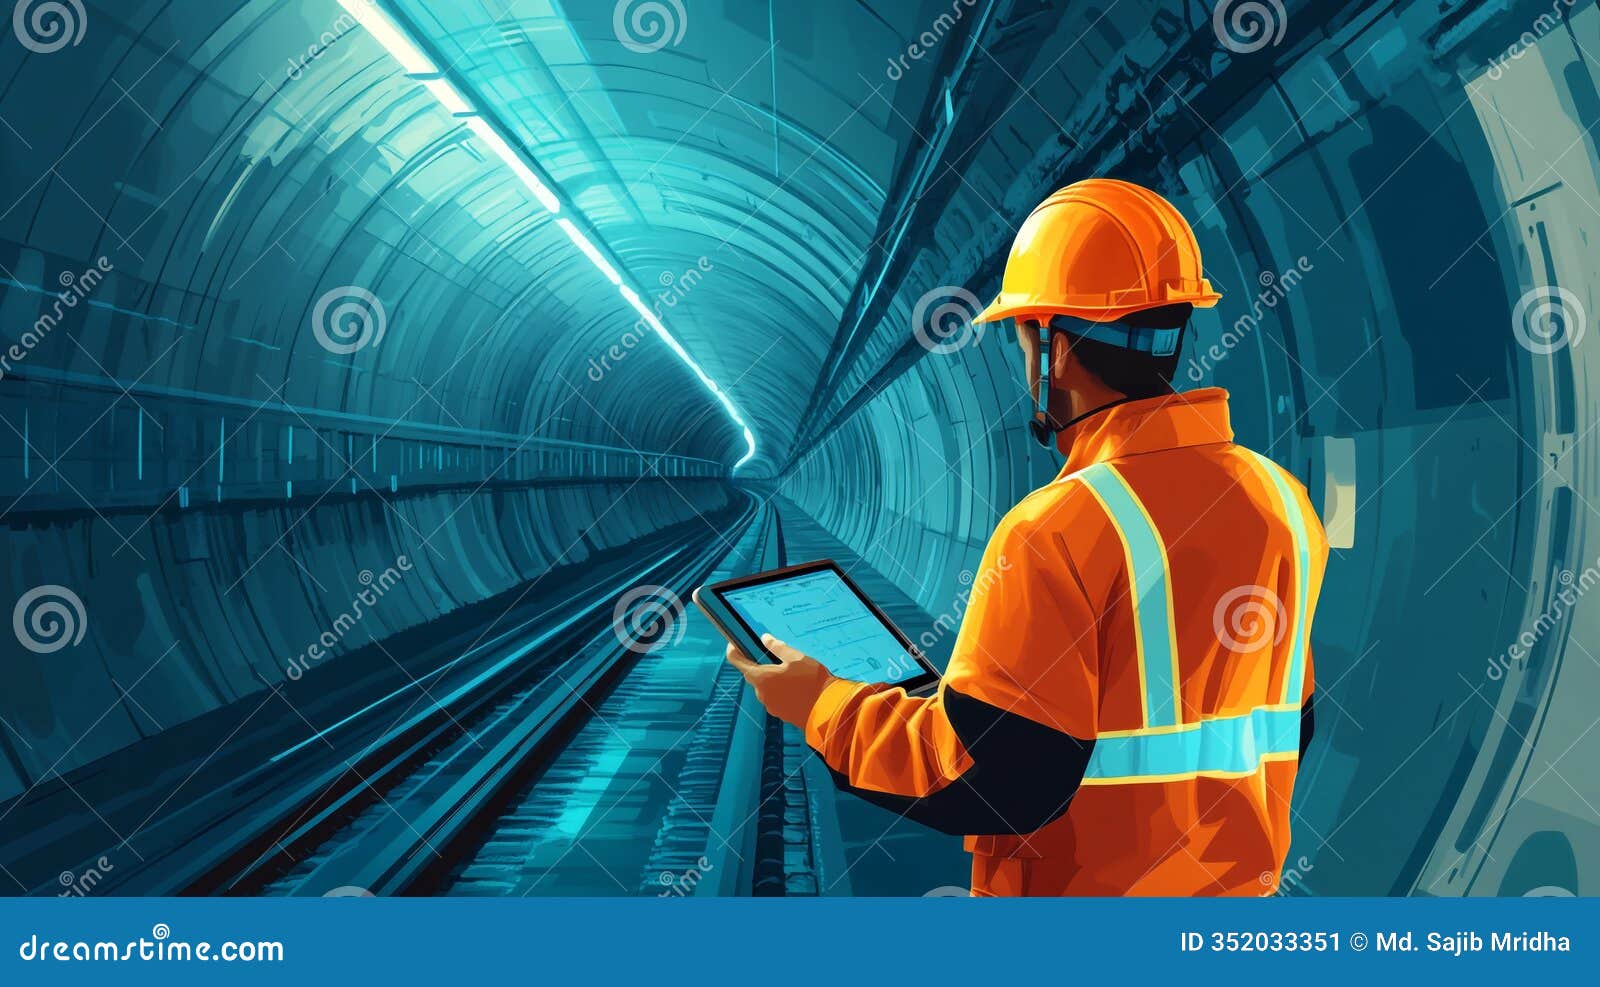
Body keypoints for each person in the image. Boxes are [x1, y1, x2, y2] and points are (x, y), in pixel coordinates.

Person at [725, 178, 1328, 896]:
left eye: (1019, 336)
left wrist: (820, 703)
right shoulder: (1282, 502)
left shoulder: (1057, 529)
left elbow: (988, 778)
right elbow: (1286, 721)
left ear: (1055, 350)